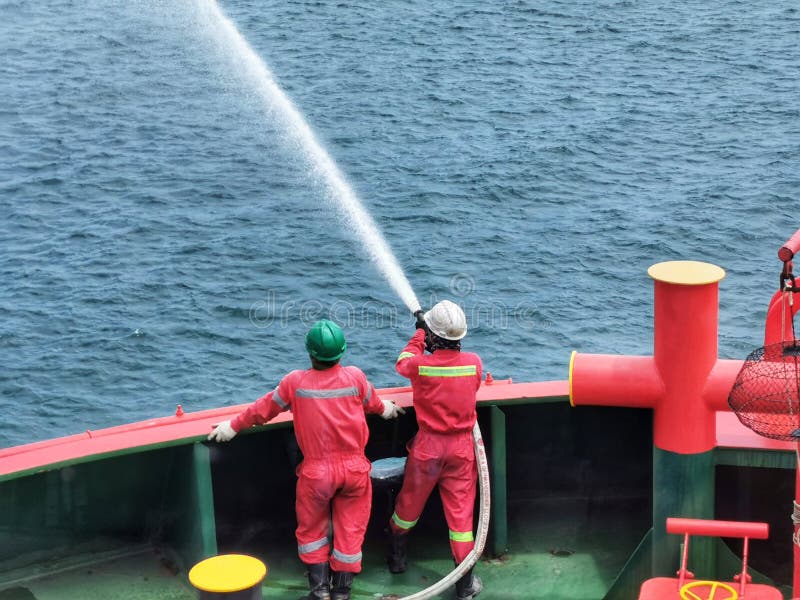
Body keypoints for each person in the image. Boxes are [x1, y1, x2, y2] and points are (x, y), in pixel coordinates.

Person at [208, 319, 404, 600]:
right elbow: (374, 402)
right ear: (342, 352)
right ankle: (342, 592)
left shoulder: (295, 383)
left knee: (312, 531)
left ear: (310, 353)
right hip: (354, 470)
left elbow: (263, 410)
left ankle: (319, 591)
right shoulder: (355, 378)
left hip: (317, 473)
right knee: (351, 532)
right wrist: (387, 410)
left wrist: (232, 426)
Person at [387, 300, 483, 600]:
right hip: (462, 448)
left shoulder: (420, 365)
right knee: (461, 518)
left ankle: (397, 557)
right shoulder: (474, 363)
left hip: (428, 447)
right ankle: (465, 584)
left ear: (432, 335)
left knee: (408, 505)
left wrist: (419, 336)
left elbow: (402, 362)